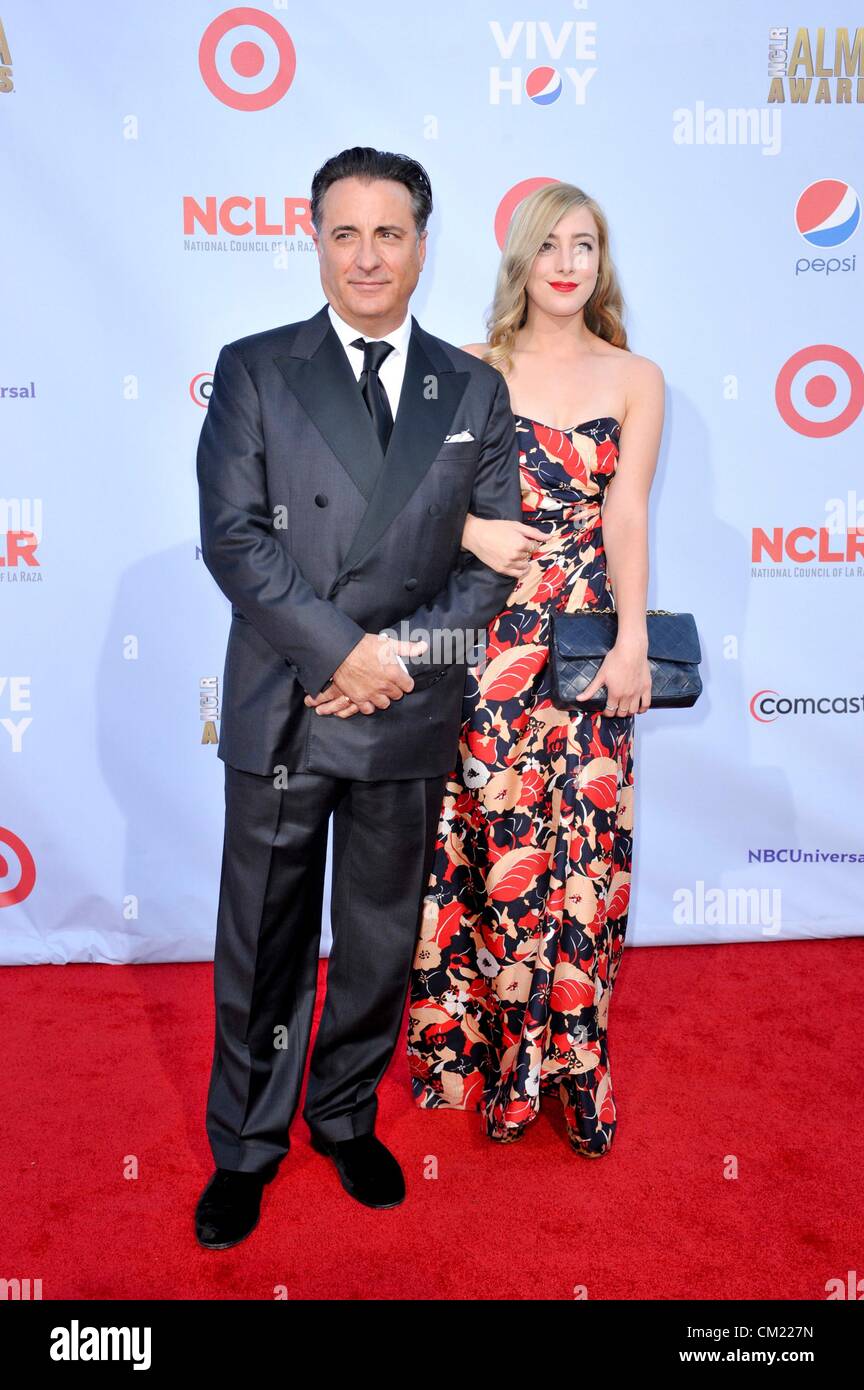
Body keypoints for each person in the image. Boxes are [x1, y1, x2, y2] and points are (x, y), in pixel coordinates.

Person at [194, 146, 522, 1249]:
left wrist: (397, 659)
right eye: (347, 232)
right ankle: (247, 1142)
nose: (368, 254)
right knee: (265, 937)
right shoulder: (254, 368)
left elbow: (491, 564)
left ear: (425, 246)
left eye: (390, 233)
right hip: (288, 704)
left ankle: (342, 1116)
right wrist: (339, 652)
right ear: (316, 240)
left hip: (405, 708)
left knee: (378, 937)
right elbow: (236, 540)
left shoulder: (471, 388)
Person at [404, 183, 664, 1155]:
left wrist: (634, 637)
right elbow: (418, 507)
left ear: (602, 261)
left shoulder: (637, 377)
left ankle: (579, 1062)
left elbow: (628, 512)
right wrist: (474, 526)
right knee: (498, 852)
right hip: (491, 646)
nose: (567, 261)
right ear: (520, 257)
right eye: (549, 244)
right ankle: (507, 1068)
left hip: (591, 649)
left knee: (586, 859)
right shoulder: (472, 370)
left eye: (585, 244)